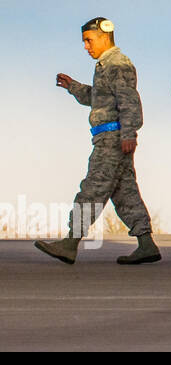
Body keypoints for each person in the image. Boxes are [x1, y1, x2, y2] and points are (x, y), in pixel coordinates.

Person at [35, 18, 161, 265]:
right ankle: (147, 244)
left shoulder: (117, 64)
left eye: (89, 40)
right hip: (111, 136)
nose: (86, 46)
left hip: (112, 140)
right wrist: (72, 86)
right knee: (126, 194)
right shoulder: (105, 67)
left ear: (105, 37)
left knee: (91, 190)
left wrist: (128, 135)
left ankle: (70, 244)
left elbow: (130, 102)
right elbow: (98, 98)